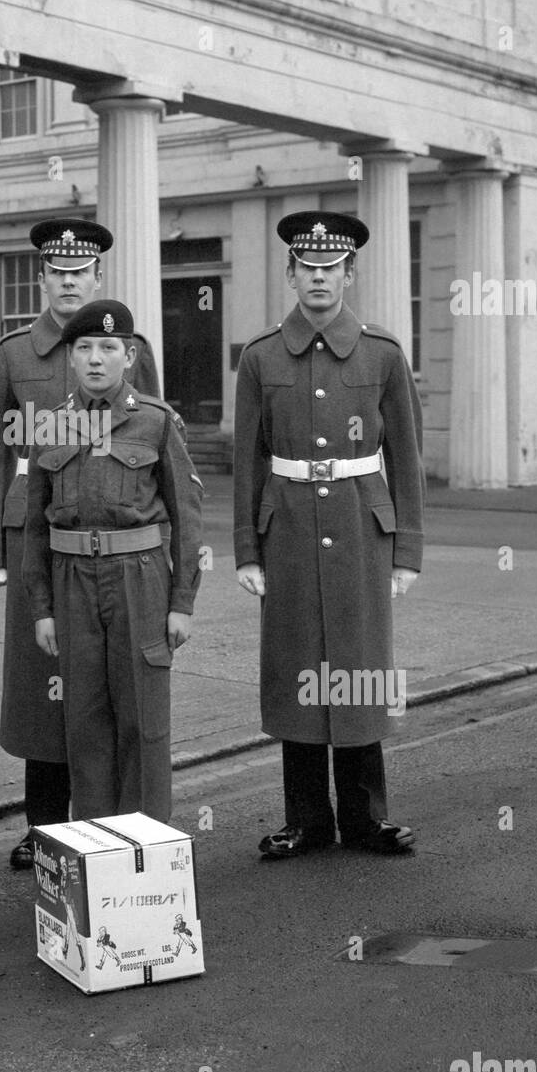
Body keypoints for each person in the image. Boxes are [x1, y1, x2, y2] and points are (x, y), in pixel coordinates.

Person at [233, 211, 424, 859]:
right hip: (286, 528)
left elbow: (406, 456)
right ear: (290, 274)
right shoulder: (260, 357)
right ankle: (307, 819)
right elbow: (248, 459)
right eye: (306, 268)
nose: (318, 278)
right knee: (298, 668)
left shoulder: (383, 354)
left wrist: (407, 550)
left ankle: (367, 818)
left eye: (330, 268)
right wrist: (245, 548)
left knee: (359, 668)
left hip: (359, 525)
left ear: (349, 272)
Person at [0, 219, 161, 869]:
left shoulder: (125, 346)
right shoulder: (13, 355)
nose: (67, 284)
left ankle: (103, 817)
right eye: (57, 274)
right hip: (34, 538)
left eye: (79, 275)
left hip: (108, 540)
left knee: (103, 681)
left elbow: (152, 445)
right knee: (40, 684)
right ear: (41, 278)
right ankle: (42, 822)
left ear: (96, 279)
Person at [24, 299, 203, 825]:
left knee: (143, 722)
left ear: (129, 355)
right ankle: (96, 851)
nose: (96, 359)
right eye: (84, 349)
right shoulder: (51, 426)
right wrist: (41, 608)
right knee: (84, 723)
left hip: (140, 581)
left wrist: (182, 603)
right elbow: (36, 527)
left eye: (108, 348)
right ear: (71, 359)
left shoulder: (156, 423)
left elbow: (187, 519)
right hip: (72, 583)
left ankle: (144, 850)